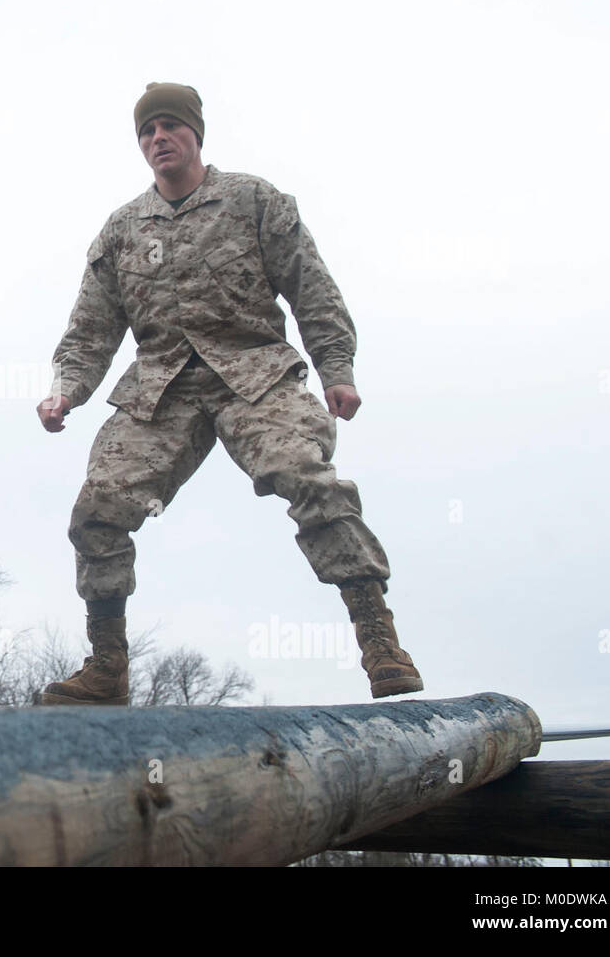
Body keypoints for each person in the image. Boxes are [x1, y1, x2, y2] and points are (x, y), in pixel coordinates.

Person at [35, 82, 423, 705]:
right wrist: (64, 392)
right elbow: (89, 329)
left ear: (195, 135)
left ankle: (380, 641)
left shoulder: (252, 200)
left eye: (170, 127)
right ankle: (107, 665)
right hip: (162, 386)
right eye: (147, 131)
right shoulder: (122, 230)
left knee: (305, 475)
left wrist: (336, 368)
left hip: (254, 373)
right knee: (98, 506)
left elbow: (312, 289)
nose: (158, 139)